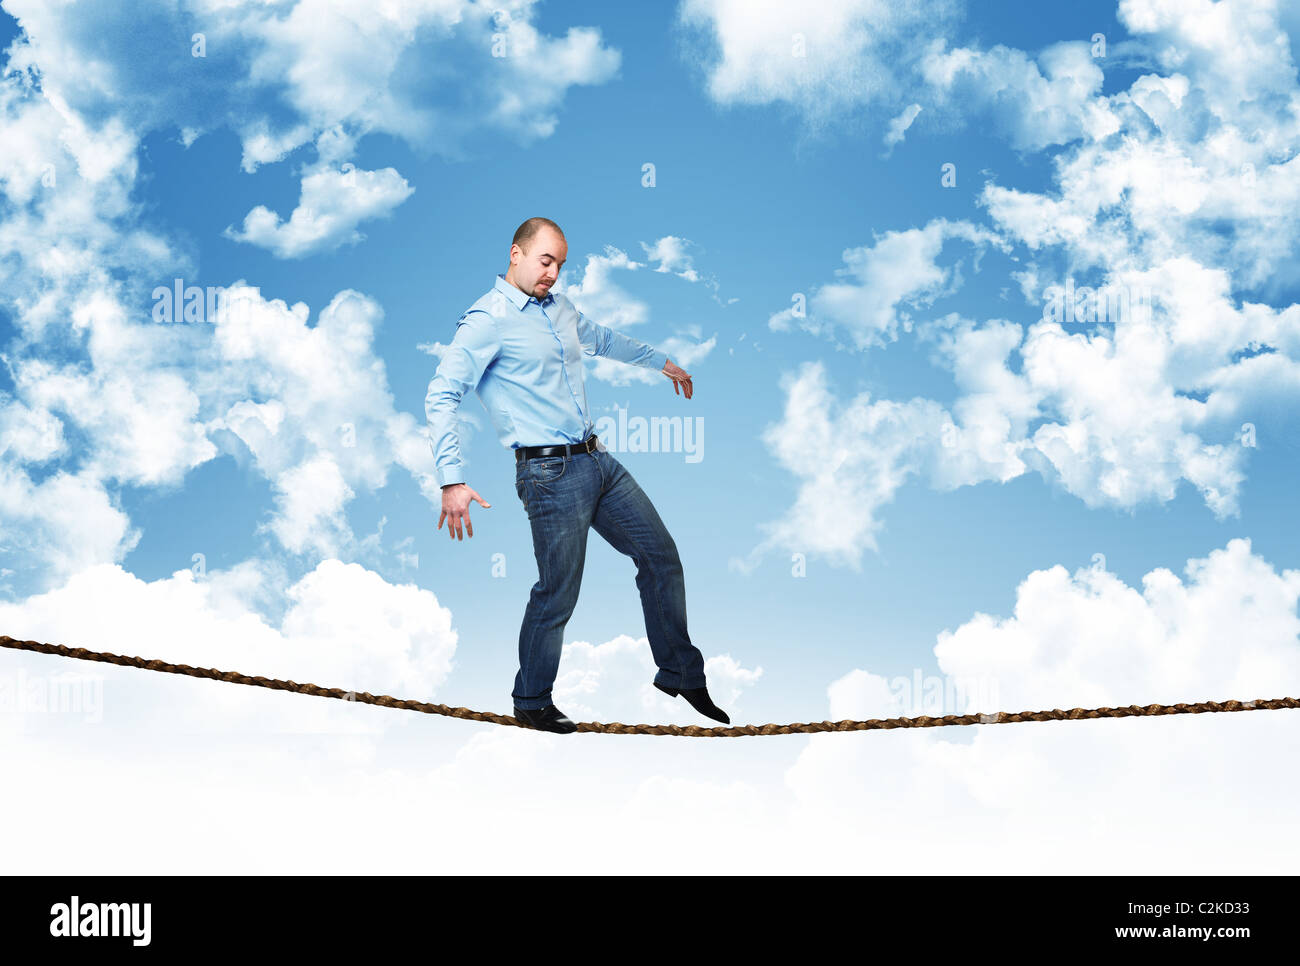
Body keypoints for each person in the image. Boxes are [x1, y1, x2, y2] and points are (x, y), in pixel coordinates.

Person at [425, 217, 729, 734]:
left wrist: (663, 363)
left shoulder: (559, 309)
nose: (553, 273)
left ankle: (679, 672)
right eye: (546, 261)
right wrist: (451, 479)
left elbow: (603, 340)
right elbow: (442, 395)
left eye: (561, 265)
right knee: (558, 591)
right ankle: (531, 700)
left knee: (660, 556)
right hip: (547, 473)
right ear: (516, 254)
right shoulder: (485, 320)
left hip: (598, 461)